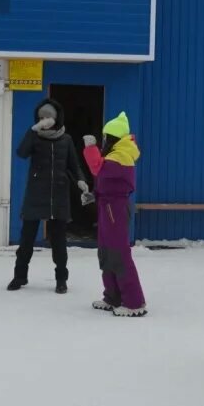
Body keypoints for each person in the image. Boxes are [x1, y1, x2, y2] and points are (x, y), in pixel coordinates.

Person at [9, 98, 89, 294]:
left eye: (48, 117)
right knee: (27, 239)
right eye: (41, 117)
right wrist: (32, 129)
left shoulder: (66, 139)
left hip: (59, 194)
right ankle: (20, 276)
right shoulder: (35, 136)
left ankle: (61, 279)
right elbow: (21, 152)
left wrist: (81, 180)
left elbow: (74, 165)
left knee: (59, 242)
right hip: (36, 193)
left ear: (56, 118)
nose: (44, 120)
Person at [82, 112, 147, 317]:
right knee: (106, 252)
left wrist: (90, 148)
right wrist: (93, 195)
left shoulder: (122, 155)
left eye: (104, 138)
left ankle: (134, 302)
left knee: (119, 253)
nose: (102, 141)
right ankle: (113, 296)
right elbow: (107, 181)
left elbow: (97, 169)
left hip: (115, 209)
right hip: (108, 206)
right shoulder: (115, 155)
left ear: (112, 138)